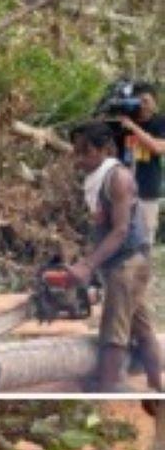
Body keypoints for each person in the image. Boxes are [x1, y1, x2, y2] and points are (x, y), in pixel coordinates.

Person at [67, 122, 161, 392]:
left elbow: (120, 230)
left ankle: (109, 384)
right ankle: (157, 384)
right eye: (76, 152)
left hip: (129, 262)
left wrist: (87, 265)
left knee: (113, 330)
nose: (79, 159)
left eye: (85, 152)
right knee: (141, 327)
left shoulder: (118, 178)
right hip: (120, 262)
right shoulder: (96, 178)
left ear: (104, 149)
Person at [121, 83, 165, 241]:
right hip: (122, 192)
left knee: (144, 240)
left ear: (155, 102)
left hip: (147, 191)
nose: (142, 105)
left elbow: (158, 148)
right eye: (138, 101)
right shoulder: (124, 121)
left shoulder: (160, 122)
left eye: (146, 101)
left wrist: (133, 127)